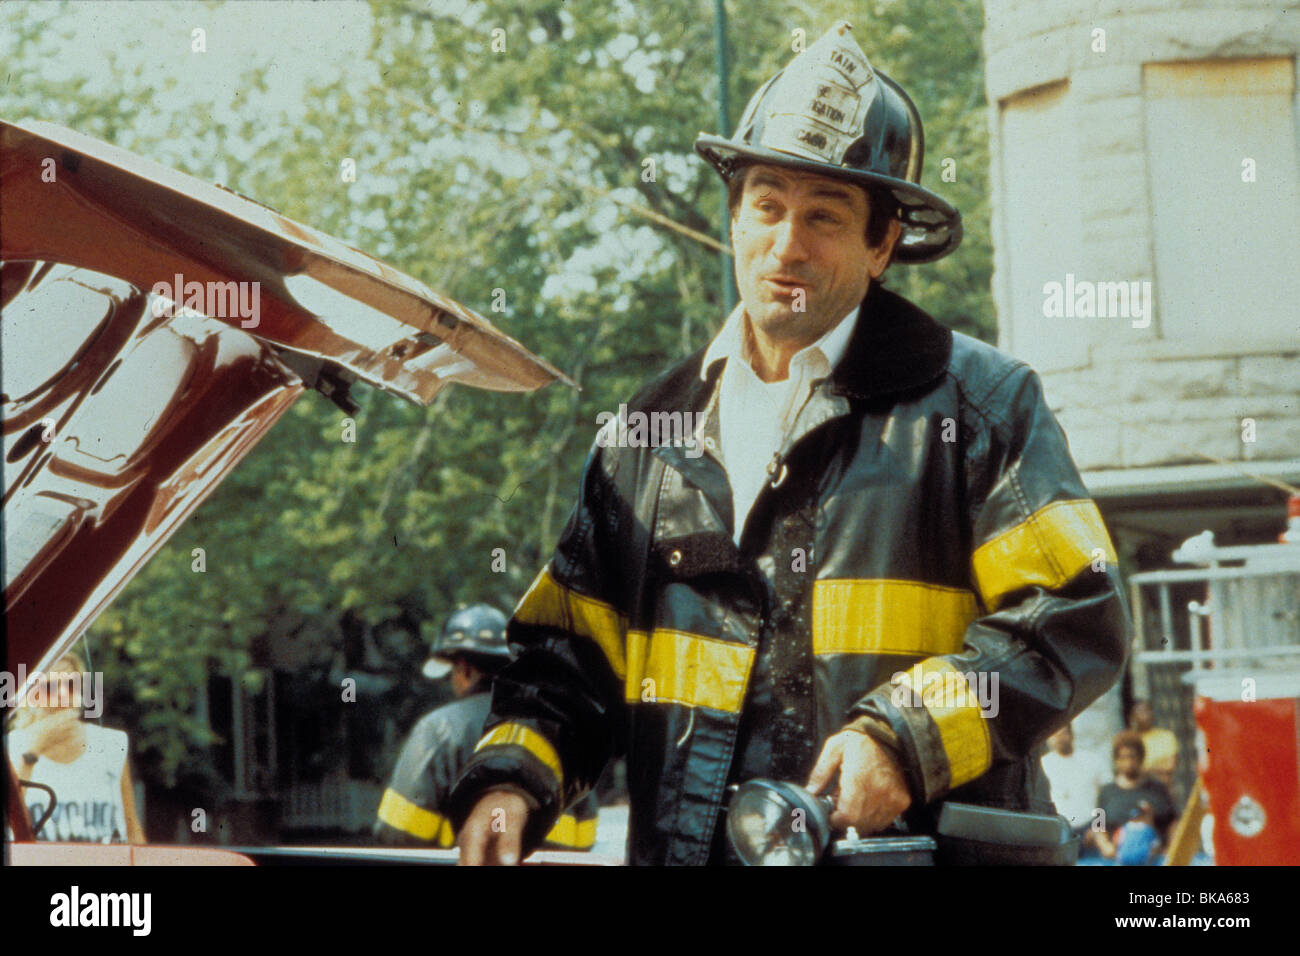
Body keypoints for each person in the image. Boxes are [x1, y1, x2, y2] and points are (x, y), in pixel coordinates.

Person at [446, 21, 1131, 866]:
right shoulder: (644, 439)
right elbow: (568, 665)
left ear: (885, 246)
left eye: (826, 216)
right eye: (766, 205)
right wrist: (512, 782)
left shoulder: (983, 407)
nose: (787, 244)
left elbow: (1075, 611)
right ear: (734, 218)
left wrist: (906, 738)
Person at [372, 604, 597, 851]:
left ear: (465, 668)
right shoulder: (559, 730)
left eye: (453, 673)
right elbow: (584, 837)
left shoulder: (437, 729)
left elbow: (399, 834)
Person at [6, 651, 145, 844]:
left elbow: (132, 830)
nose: (63, 695)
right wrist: (33, 751)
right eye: (50, 688)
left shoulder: (111, 743)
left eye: (71, 685)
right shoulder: (11, 746)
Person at [1089, 732, 1176, 865]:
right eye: (1122, 758)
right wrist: (1106, 846)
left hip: (1156, 860)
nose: (1128, 762)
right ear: (1116, 760)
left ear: (1141, 758)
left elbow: (1173, 822)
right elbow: (1098, 826)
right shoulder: (1107, 792)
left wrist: (1171, 849)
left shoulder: (1158, 788)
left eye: (1132, 757)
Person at [1040, 723, 1109, 836]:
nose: (1059, 738)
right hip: (1058, 828)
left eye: (1062, 733)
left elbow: (1106, 796)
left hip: (1089, 829)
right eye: (1054, 735)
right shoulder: (1043, 764)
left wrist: (1098, 828)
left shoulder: (1092, 760)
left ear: (1071, 735)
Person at [1128, 699, 1178, 790]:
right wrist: (1157, 768)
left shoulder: (1166, 736)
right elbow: (1129, 768)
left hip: (1163, 789)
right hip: (1138, 790)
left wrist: (1143, 769)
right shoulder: (1131, 740)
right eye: (1139, 712)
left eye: (1146, 711)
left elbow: (1169, 766)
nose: (1144, 715)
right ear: (1132, 716)